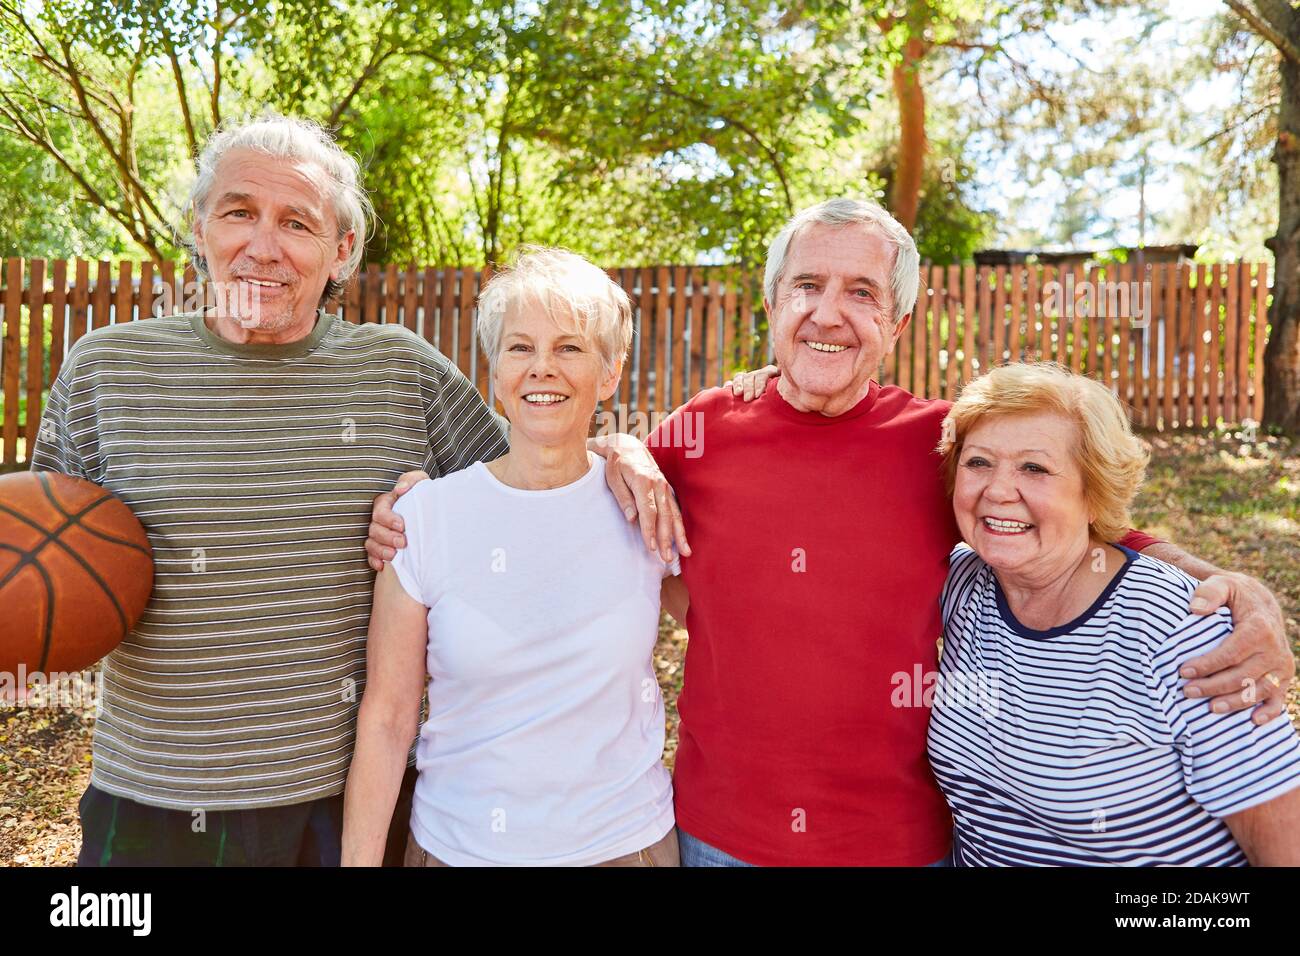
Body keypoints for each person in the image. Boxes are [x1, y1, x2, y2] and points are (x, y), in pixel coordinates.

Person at [367, 198, 1294, 866]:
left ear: (896, 318)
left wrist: (1236, 591)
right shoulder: (697, 433)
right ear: (773, 304)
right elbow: (564, 476)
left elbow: (1067, 526)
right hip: (714, 836)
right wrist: (424, 505)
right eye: (807, 284)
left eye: (860, 291)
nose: (829, 312)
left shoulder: (945, 444)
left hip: (901, 843)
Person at [29, 116, 676, 867]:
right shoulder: (106, 371)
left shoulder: (401, 371)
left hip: (344, 804)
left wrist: (624, 448)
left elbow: (535, 473)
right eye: (240, 211)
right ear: (199, 225)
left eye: (297, 222)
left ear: (341, 251)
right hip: (154, 796)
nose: (263, 246)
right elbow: (46, 563)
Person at [342, 248, 685, 867]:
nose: (542, 369)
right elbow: (388, 719)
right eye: (520, 348)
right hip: (457, 849)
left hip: (624, 848)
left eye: (570, 348)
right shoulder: (424, 518)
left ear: (610, 373)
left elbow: (733, 647)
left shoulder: (647, 509)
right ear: (495, 370)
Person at [928, 362, 1300, 865]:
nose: (997, 490)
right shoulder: (963, 584)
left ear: (1093, 493)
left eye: (1034, 468)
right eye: (978, 463)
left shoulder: (1179, 627)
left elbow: (1283, 847)